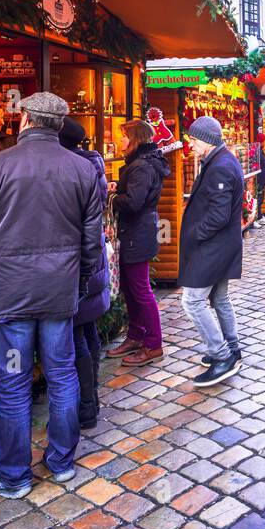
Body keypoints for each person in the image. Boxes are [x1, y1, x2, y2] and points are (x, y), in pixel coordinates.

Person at [0, 91, 104, 498]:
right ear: (57, 125)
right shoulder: (81, 170)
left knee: (14, 383)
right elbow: (93, 242)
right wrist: (78, 282)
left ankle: (15, 475)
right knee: (61, 376)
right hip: (57, 295)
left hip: (9, 298)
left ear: (24, 121)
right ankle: (60, 462)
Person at [180, 116, 245, 387]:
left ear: (205, 140)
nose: (190, 146)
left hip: (214, 246)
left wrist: (196, 234)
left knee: (192, 301)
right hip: (222, 245)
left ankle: (222, 357)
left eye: (193, 141)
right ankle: (232, 348)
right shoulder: (221, 159)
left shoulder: (220, 166)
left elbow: (218, 215)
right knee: (219, 298)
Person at [106, 119, 171, 368]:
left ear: (134, 139)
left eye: (123, 136)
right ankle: (136, 336)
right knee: (132, 289)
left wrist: (111, 194)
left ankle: (153, 344)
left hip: (137, 233)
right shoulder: (140, 164)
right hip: (136, 232)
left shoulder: (141, 166)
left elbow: (133, 202)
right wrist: (117, 188)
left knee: (141, 290)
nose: (119, 141)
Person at [58, 117, 109, 428]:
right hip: (92, 263)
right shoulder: (93, 165)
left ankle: (85, 407)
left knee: (77, 336)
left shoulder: (71, 169)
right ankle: (91, 398)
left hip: (75, 267)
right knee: (88, 331)